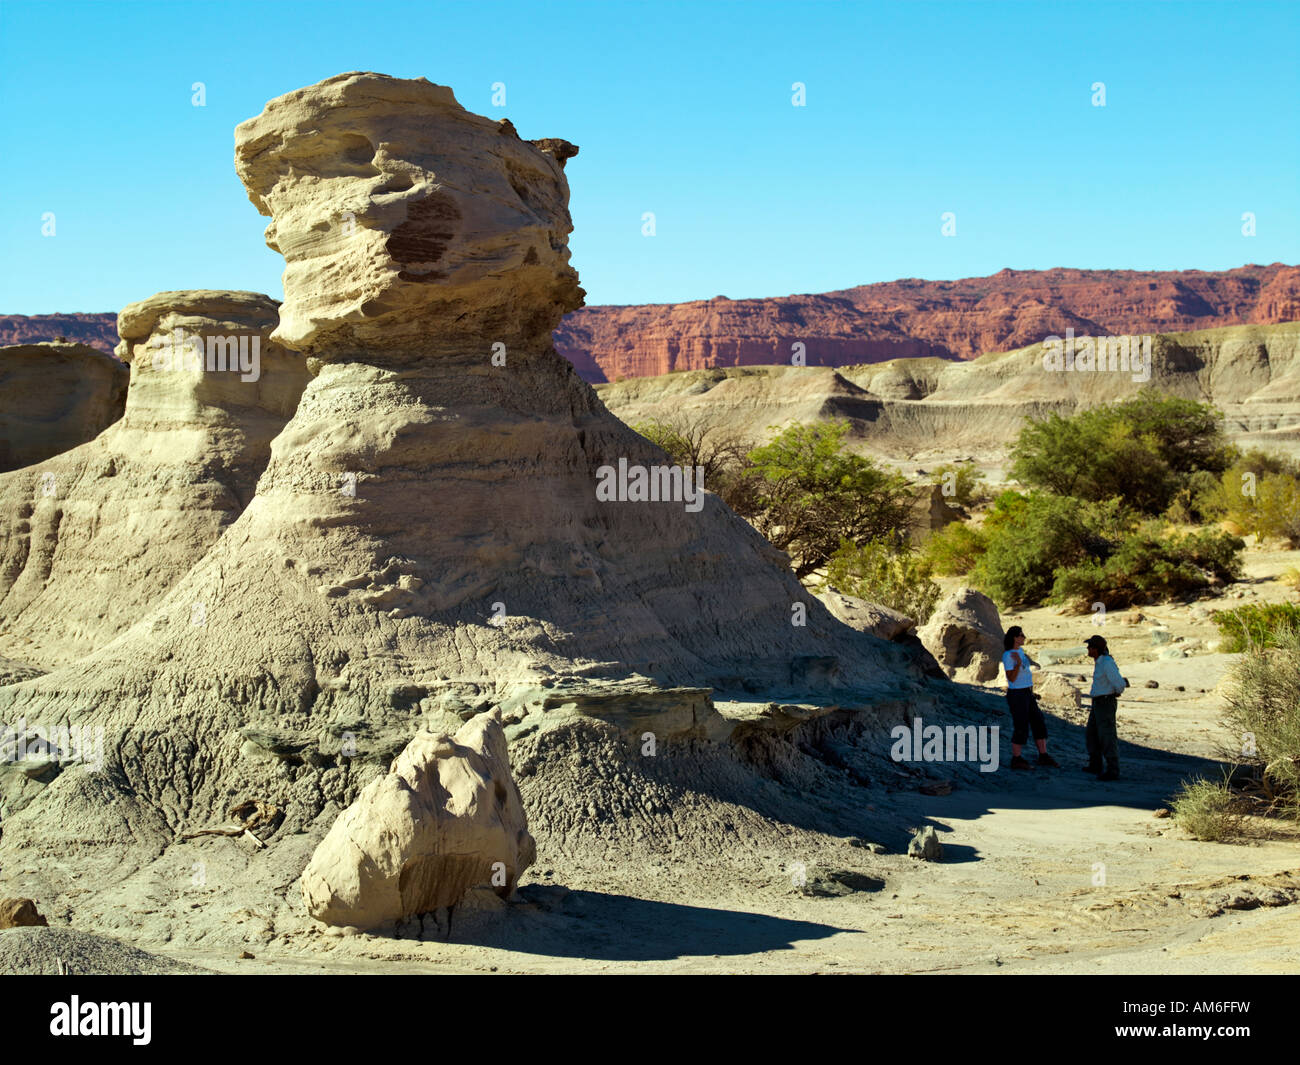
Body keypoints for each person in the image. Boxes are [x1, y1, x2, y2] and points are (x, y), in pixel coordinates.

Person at [1001, 625, 1058, 770]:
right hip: (1017, 694)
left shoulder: (1020, 652)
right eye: (1021, 635)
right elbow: (1011, 678)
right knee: (1021, 725)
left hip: (1027, 692)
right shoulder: (1008, 655)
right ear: (1015, 638)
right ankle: (1016, 759)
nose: (1024, 637)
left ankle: (1043, 755)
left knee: (1038, 721)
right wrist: (1018, 664)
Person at [1084, 634, 1127, 781]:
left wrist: (1117, 691)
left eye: (1090, 647)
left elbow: (1119, 683)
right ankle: (1095, 764)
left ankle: (1112, 770)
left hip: (1105, 702)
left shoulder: (1107, 662)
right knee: (1092, 734)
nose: (1088, 649)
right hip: (1098, 702)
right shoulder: (1101, 662)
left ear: (1096, 649)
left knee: (1107, 736)